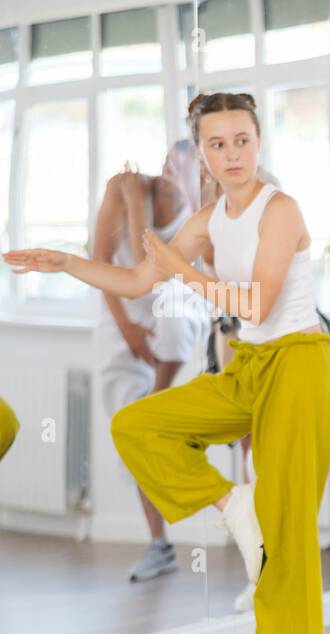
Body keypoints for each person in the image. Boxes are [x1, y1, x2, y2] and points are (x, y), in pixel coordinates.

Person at [5, 91, 330, 634]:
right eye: (217, 144)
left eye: (242, 139)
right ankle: (233, 503)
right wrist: (66, 262)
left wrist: (183, 271)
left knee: (288, 523)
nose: (232, 153)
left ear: (258, 141)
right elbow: (136, 279)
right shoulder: (209, 220)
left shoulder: (280, 209)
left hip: (297, 365)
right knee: (137, 424)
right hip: (250, 364)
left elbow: (256, 305)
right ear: (203, 155)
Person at [92, 140, 210, 582]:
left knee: (177, 323)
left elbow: (167, 268)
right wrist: (124, 327)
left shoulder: (201, 207)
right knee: (130, 434)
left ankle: (157, 402)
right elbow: (101, 261)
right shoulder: (125, 187)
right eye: (166, 163)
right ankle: (159, 545)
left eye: (180, 169)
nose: (167, 173)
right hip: (121, 305)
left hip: (169, 298)